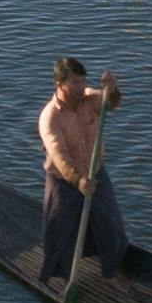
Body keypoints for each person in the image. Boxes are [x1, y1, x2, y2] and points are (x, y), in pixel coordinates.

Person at [38, 56, 127, 288]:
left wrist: (112, 89)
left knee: (110, 224)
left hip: (95, 173)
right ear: (59, 84)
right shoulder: (50, 117)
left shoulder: (89, 99)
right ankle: (65, 280)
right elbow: (59, 155)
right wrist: (77, 181)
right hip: (64, 181)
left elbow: (109, 104)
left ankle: (110, 273)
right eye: (75, 82)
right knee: (61, 232)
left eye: (83, 81)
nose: (81, 86)